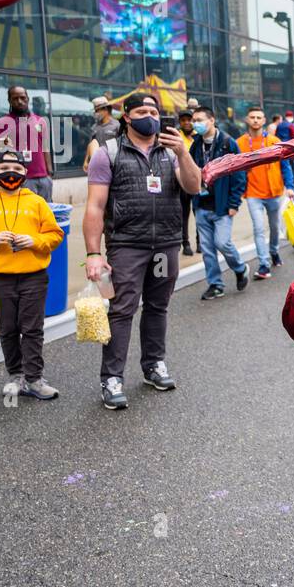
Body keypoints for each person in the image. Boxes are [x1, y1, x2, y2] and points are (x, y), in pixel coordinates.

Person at [83, 92, 202, 410]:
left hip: (165, 245)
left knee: (158, 306)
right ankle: (111, 378)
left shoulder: (173, 152)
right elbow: (95, 207)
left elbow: (194, 186)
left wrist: (183, 152)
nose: (149, 115)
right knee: (121, 310)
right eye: (141, 111)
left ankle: (153, 365)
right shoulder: (107, 153)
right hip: (127, 246)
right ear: (127, 116)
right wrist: (93, 254)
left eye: (153, 110)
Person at [0, 150, 64, 400]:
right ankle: (16, 375)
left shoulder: (37, 202)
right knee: (7, 329)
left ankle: (34, 379)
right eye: (4, 168)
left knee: (32, 329)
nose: (11, 174)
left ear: (25, 173)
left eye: (18, 169)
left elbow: (55, 235)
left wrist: (34, 240)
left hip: (34, 275)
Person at [190, 105, 249, 299]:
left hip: (223, 205)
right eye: (194, 120)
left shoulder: (227, 143)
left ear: (212, 120)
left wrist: (234, 203)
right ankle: (215, 284)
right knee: (207, 249)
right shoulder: (195, 144)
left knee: (222, 243)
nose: (195, 124)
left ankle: (240, 269)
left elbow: (240, 174)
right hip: (201, 205)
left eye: (199, 120)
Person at [236, 105, 292, 280]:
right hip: (253, 193)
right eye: (252, 117)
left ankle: (274, 251)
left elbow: (285, 165)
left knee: (274, 228)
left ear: (264, 120)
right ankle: (263, 264)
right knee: (259, 228)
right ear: (247, 119)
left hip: (274, 192)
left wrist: (289, 187)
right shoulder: (240, 143)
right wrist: (237, 191)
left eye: (258, 117)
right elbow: (236, 169)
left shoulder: (274, 141)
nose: (255, 120)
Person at [0, 85, 52, 201]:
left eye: (22, 98)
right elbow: (1, 152)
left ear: (28, 99)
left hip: (44, 178)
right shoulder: (3, 123)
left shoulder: (40, 121)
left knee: (46, 213)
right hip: (20, 178)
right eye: (15, 99)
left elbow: (45, 147)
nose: (19, 101)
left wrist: (49, 172)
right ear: (9, 101)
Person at [177, 108, 198, 256]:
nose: (186, 123)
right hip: (182, 181)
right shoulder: (176, 136)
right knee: (184, 214)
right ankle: (186, 243)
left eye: (189, 120)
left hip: (198, 179)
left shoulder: (198, 137)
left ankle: (200, 241)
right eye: (183, 120)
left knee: (200, 212)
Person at [82, 96, 120, 171]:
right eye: (95, 111)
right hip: (98, 163)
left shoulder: (117, 125)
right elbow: (90, 144)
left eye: (97, 111)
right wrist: (86, 161)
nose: (95, 113)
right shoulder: (94, 127)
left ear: (105, 110)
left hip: (114, 164)